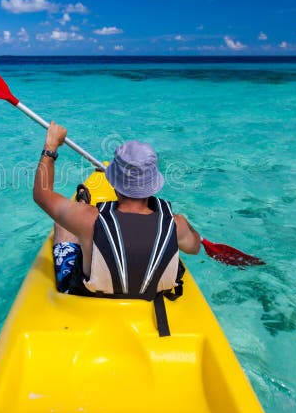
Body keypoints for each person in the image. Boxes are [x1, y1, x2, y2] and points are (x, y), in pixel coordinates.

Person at [33, 122, 201, 335]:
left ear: (113, 183)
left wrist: (51, 146)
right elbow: (195, 247)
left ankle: (82, 205)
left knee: (63, 224)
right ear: (153, 184)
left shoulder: (88, 220)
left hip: (88, 299)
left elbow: (41, 194)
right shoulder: (176, 225)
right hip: (151, 305)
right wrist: (186, 225)